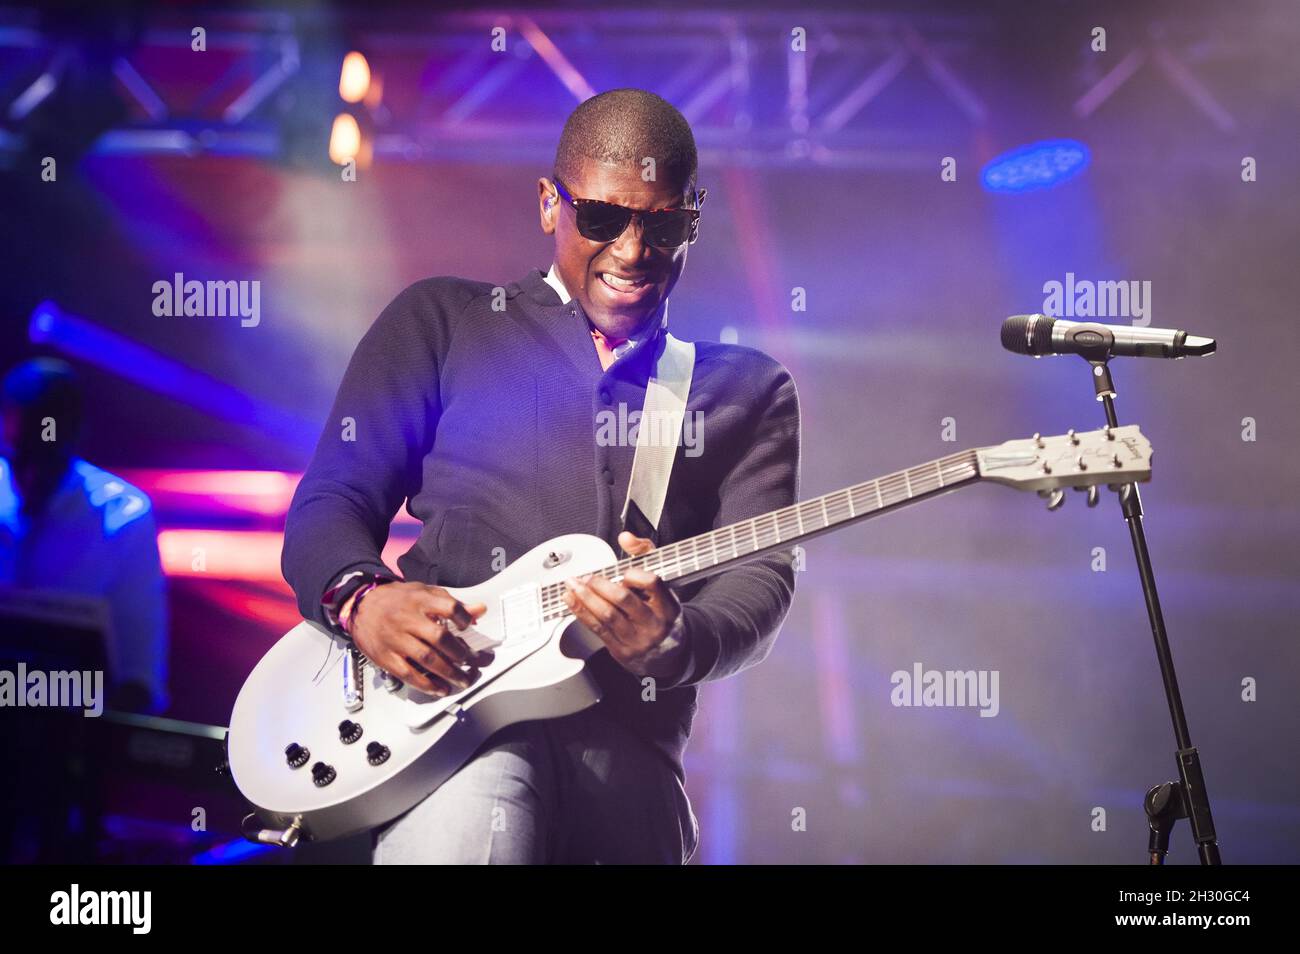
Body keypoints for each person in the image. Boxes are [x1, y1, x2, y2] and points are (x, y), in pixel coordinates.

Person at [282, 88, 800, 864]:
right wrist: (363, 600)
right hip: (444, 735)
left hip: (627, 770)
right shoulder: (445, 322)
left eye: (662, 224)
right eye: (602, 219)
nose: (632, 251)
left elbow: (762, 576)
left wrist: (676, 639)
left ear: (693, 216)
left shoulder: (745, 390)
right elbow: (331, 500)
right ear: (549, 203)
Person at [0, 357, 169, 713]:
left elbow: (138, 677)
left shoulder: (123, 515)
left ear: (75, 438)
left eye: (45, 460)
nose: (29, 478)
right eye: (19, 458)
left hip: (71, 735)